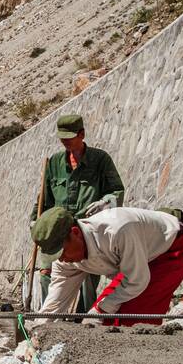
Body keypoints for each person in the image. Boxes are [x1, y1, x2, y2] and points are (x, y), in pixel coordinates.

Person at [30, 205, 183, 326]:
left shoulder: (117, 231)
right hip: (136, 263)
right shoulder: (66, 261)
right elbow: (56, 301)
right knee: (103, 319)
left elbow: (137, 280)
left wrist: (101, 311)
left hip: (175, 249)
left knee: (131, 318)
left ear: (75, 233)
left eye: (62, 251)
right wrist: (40, 327)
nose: (62, 258)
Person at [32, 114, 125, 311]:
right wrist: (36, 221)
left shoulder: (100, 160)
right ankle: (48, 321)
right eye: (62, 137)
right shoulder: (55, 163)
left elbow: (116, 190)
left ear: (82, 134)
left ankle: (84, 322)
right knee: (48, 272)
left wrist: (105, 202)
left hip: (86, 232)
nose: (65, 141)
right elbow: (44, 198)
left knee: (89, 278)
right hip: (57, 231)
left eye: (70, 136)